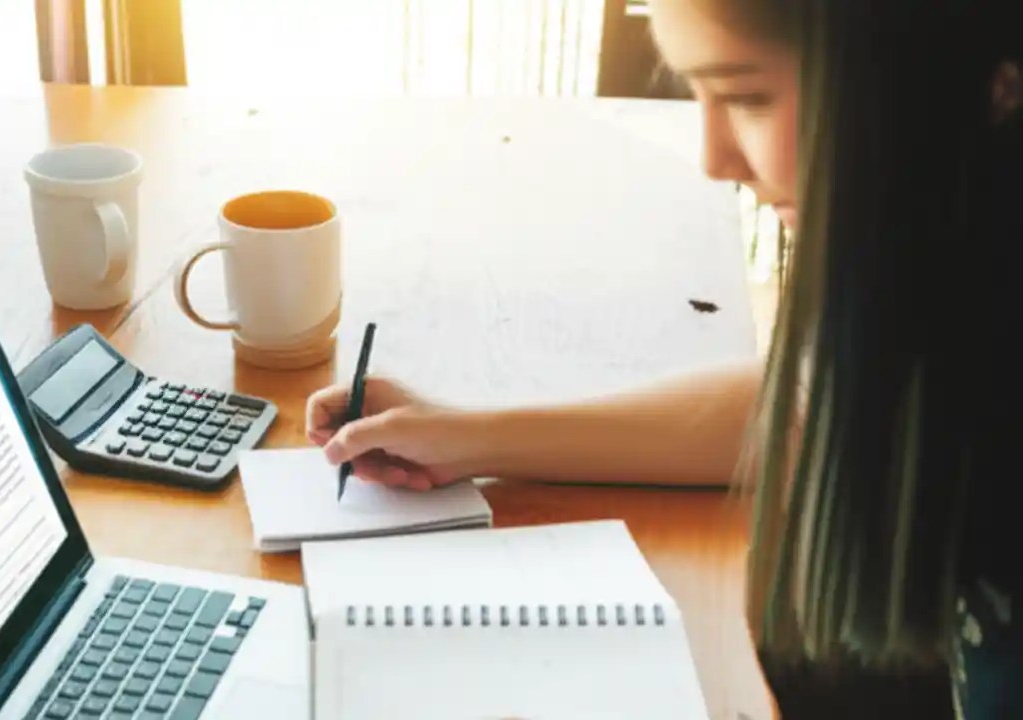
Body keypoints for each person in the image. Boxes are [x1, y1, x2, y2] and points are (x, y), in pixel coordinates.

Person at [306, 1, 1022, 717]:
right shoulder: (955, 283)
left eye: (746, 96)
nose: (715, 161)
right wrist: (463, 435)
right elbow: (803, 406)